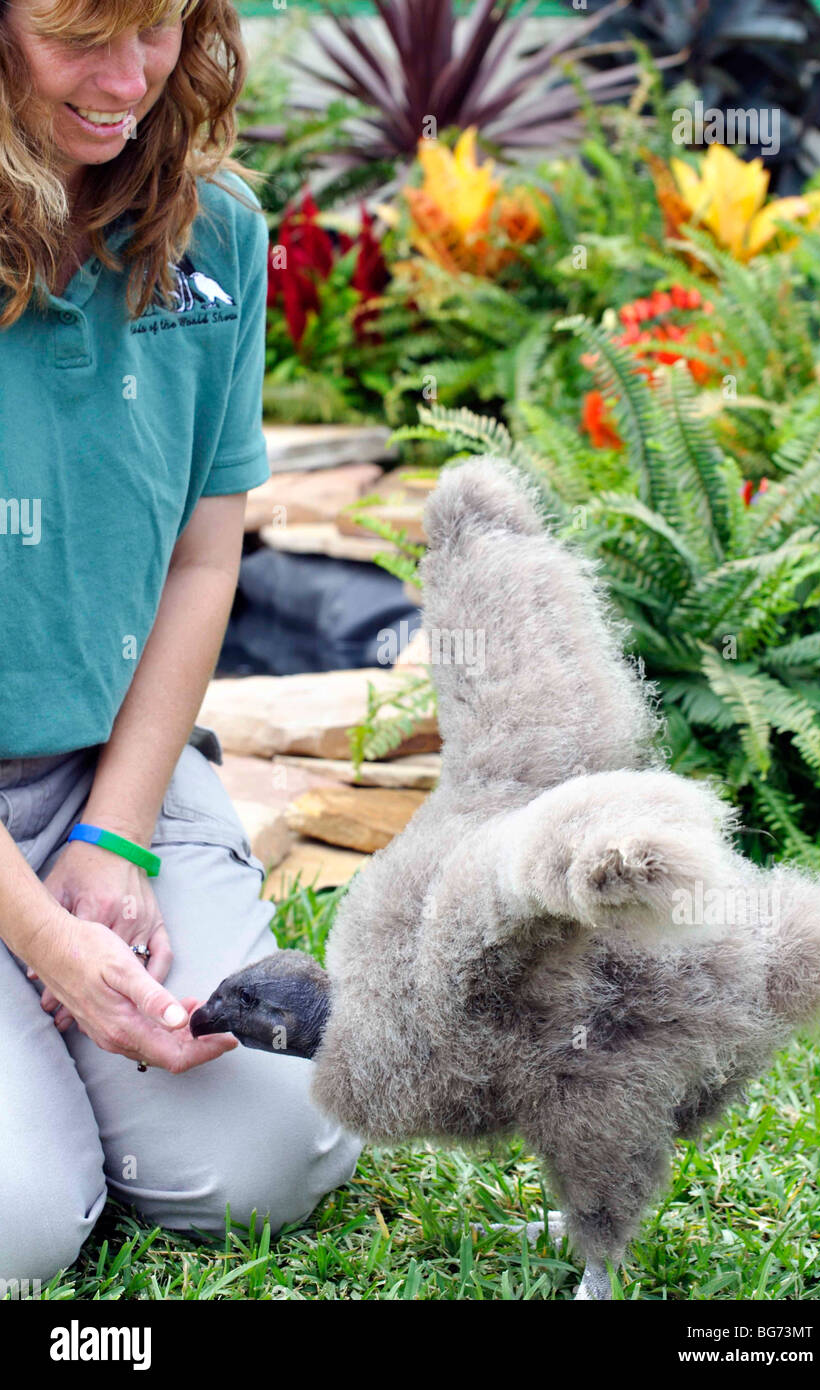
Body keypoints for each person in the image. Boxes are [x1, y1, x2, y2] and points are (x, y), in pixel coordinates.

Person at [0, 0, 362, 1284]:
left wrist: (113, 835)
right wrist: (45, 944)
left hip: (101, 773)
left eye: (156, 29)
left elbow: (205, 559)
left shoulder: (216, 232)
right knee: (19, 1225)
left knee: (286, 1152)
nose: (127, 81)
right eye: (76, 38)